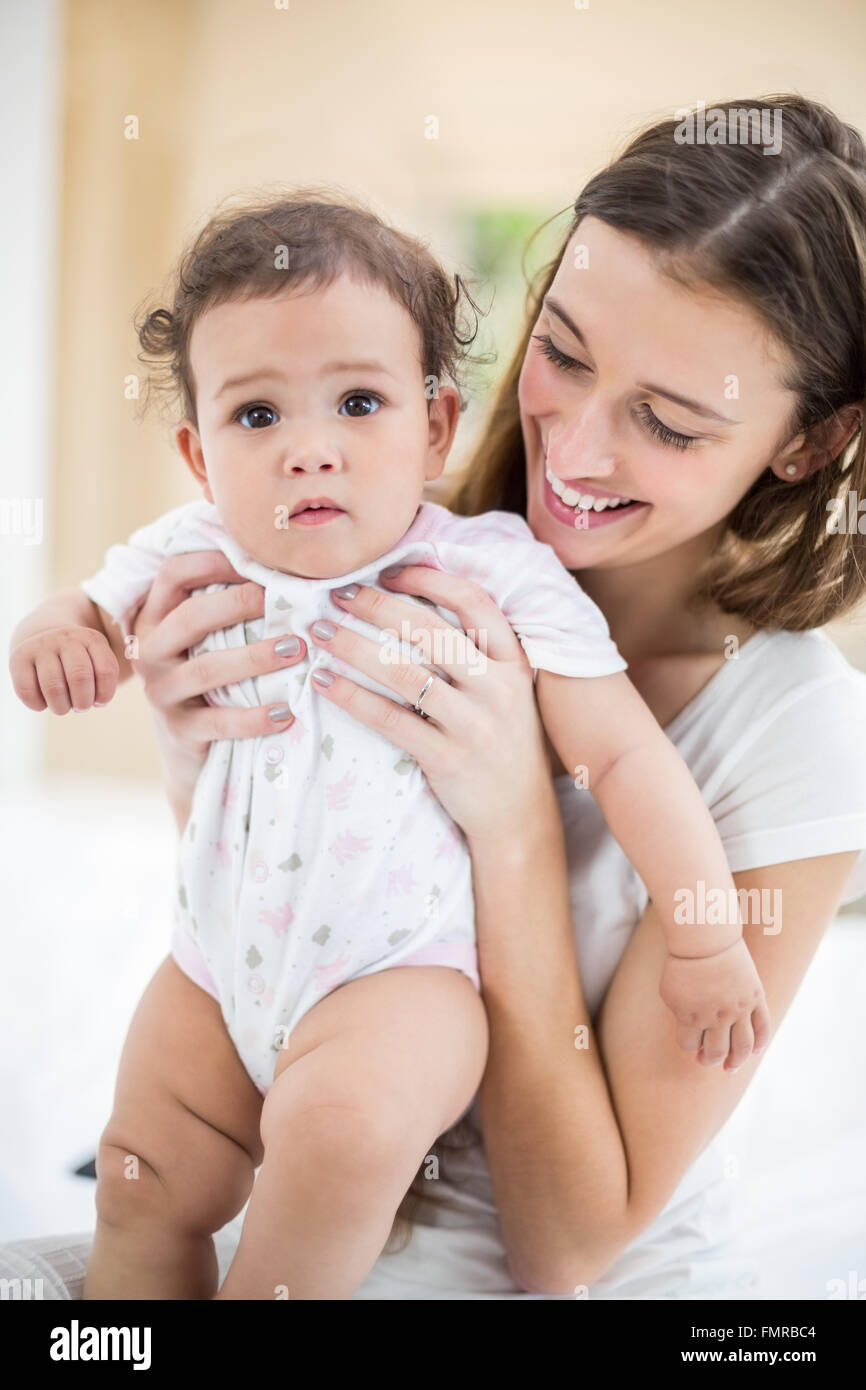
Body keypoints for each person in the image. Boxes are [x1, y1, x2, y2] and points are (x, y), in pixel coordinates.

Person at [5, 93, 866, 1299]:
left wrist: (513, 819)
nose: (570, 454)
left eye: (666, 423)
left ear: (809, 442)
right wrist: (191, 744)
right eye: (561, 353)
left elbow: (565, 1249)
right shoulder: (372, 523)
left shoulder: (790, 726)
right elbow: (293, 905)